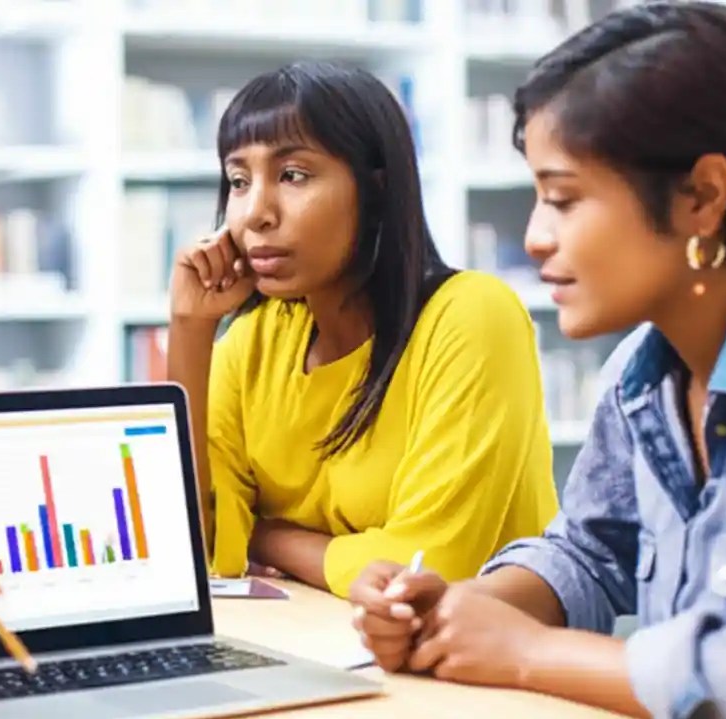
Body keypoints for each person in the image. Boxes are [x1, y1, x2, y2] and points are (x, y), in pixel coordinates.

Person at [347, 3, 726, 718]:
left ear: (703, 196)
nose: (536, 238)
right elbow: (591, 552)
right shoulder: (641, 376)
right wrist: (453, 612)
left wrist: (527, 653)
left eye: (563, 199)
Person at [166, 60, 559, 597]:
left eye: (293, 175)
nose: (255, 213)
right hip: (331, 640)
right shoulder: (255, 339)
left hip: (480, 663)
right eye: (238, 180)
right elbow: (197, 545)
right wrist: (191, 328)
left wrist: (267, 537)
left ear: (376, 190)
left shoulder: (472, 315)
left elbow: (424, 569)